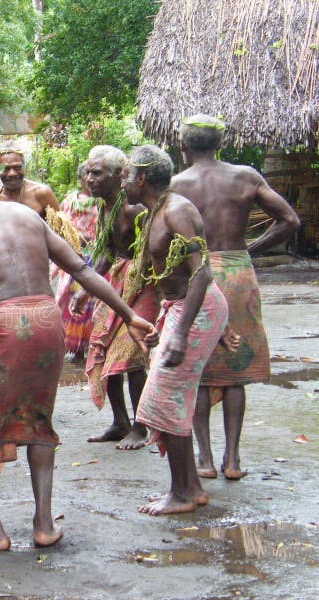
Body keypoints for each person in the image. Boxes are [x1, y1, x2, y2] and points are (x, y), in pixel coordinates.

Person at [0, 157, 157, 549]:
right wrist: (129, 315)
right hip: (46, 318)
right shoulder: (25, 215)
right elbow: (84, 270)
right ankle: (43, 526)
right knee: (38, 420)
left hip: (3, 324)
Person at [171, 114, 301, 480]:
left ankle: (205, 460)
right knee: (234, 372)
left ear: (183, 147)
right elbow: (290, 220)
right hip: (238, 271)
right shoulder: (246, 176)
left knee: (198, 369)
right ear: (221, 144)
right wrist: (252, 249)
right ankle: (233, 461)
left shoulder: (178, 185)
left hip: (199, 275)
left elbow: (169, 238)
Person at [123, 145, 230, 515]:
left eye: (125, 175)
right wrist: (164, 322)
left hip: (196, 308)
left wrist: (181, 332)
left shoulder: (178, 210)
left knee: (164, 398)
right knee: (170, 398)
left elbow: (203, 272)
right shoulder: (153, 212)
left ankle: (182, 493)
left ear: (140, 178)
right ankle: (191, 487)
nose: (123, 183)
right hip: (181, 309)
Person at [73, 145, 160, 450]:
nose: (89, 178)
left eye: (97, 173)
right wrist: (86, 288)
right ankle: (120, 421)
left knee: (129, 356)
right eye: (88, 172)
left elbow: (154, 250)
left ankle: (141, 425)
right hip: (119, 282)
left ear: (118, 176)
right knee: (102, 348)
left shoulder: (134, 208)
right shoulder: (105, 207)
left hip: (145, 284)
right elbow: (109, 252)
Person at [52, 161, 100, 362]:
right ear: (80, 179)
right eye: (85, 176)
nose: (89, 181)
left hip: (95, 256)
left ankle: (89, 345)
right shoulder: (70, 201)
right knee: (67, 297)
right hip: (74, 255)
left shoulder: (102, 203)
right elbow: (61, 226)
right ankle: (73, 346)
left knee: (92, 301)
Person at [0, 140, 59, 216]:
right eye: (5, 169)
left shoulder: (41, 193)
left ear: (24, 168)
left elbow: (60, 227)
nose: (12, 173)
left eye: (17, 167)